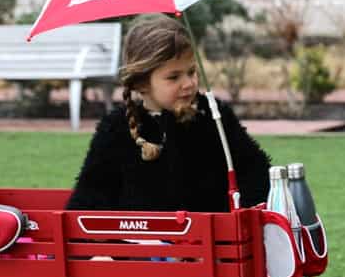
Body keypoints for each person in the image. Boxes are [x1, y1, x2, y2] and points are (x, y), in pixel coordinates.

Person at [67, 13, 271, 215]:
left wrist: (241, 215)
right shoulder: (116, 129)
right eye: (174, 77)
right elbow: (90, 199)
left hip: (212, 240)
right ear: (141, 83)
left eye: (191, 72)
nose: (189, 83)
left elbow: (258, 175)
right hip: (140, 243)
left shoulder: (214, 116)